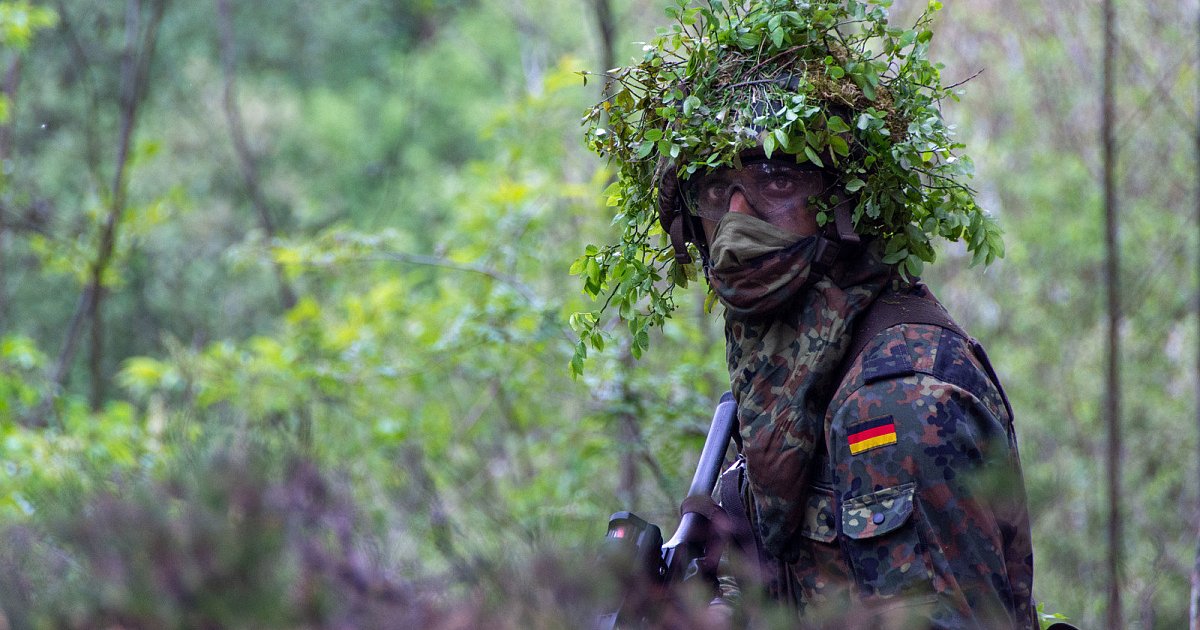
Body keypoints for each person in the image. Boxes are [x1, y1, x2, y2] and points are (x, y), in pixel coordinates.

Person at [656, 150, 1038, 628]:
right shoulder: (797, 373)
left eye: (776, 182)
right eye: (715, 191)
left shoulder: (893, 402)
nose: (736, 224)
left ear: (843, 200)